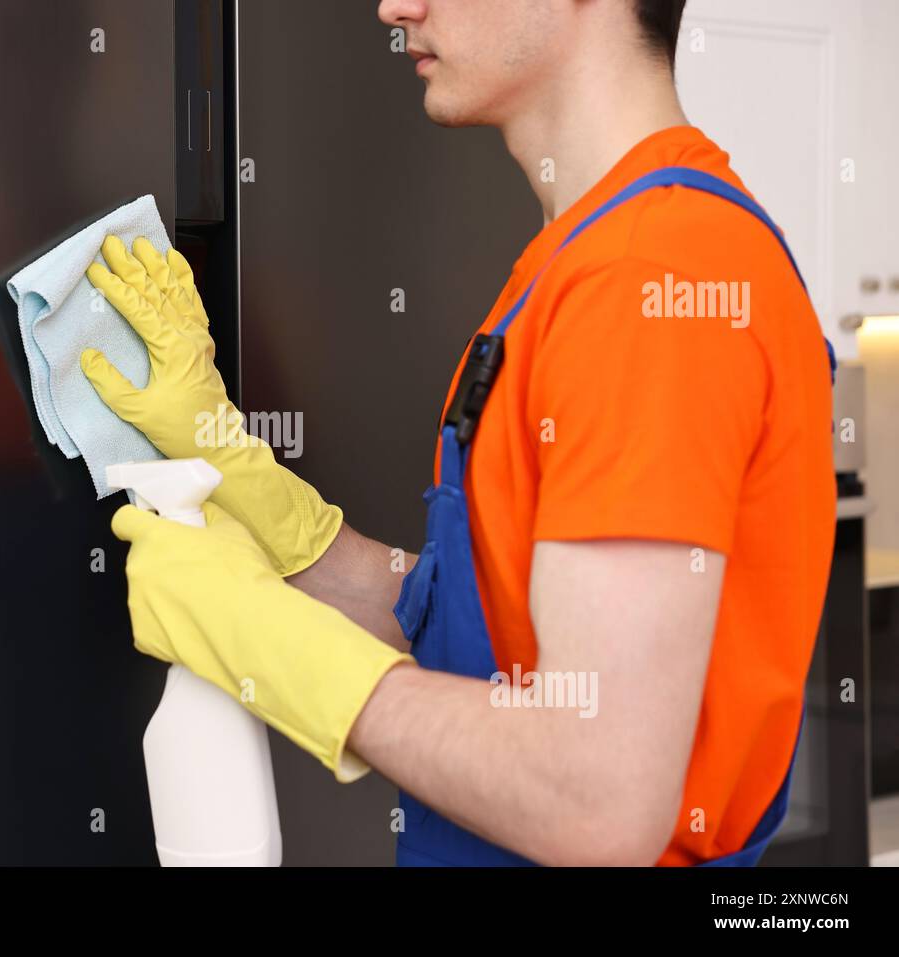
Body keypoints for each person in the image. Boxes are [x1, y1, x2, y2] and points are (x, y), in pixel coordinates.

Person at [78, 0, 836, 866]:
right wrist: (232, 463)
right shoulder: (588, 261)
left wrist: (269, 643)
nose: (394, 6)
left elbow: (596, 797)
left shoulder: (648, 278)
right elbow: (471, 629)